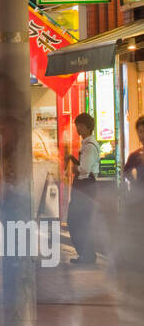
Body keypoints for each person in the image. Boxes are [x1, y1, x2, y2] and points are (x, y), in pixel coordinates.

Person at [66, 112, 100, 265]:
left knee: (78, 221)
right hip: (85, 187)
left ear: (86, 126)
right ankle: (86, 255)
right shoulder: (87, 144)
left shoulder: (90, 146)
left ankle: (86, 255)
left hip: (85, 187)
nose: (77, 128)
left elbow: (85, 169)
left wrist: (74, 166)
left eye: (79, 125)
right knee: (80, 221)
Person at [123, 115, 144, 193]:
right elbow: (126, 172)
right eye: (140, 131)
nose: (143, 135)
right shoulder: (134, 155)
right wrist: (136, 184)